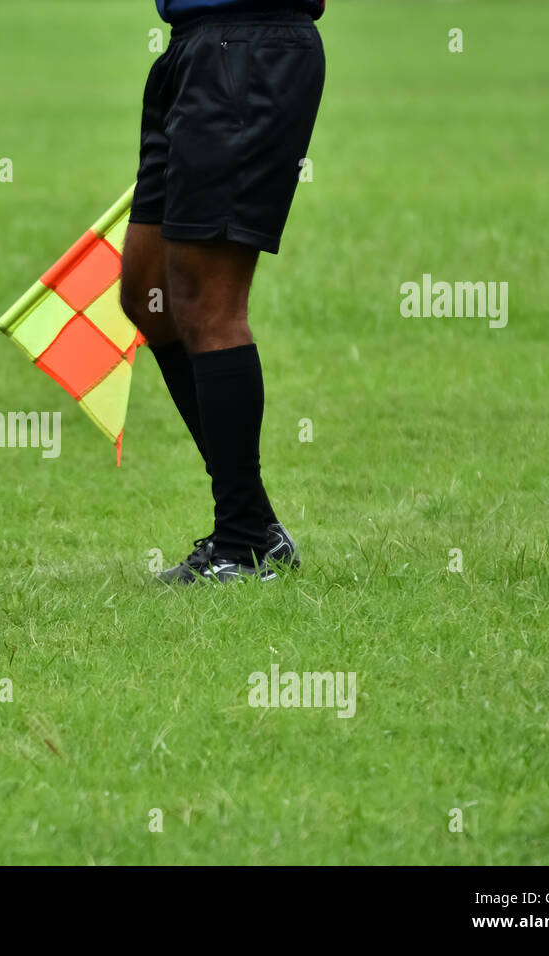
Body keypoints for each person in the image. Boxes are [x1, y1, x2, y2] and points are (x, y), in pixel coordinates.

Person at [120, 0, 327, 584]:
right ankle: (256, 527)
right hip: (192, 50)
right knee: (148, 295)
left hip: (247, 50)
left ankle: (241, 544)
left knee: (210, 304)